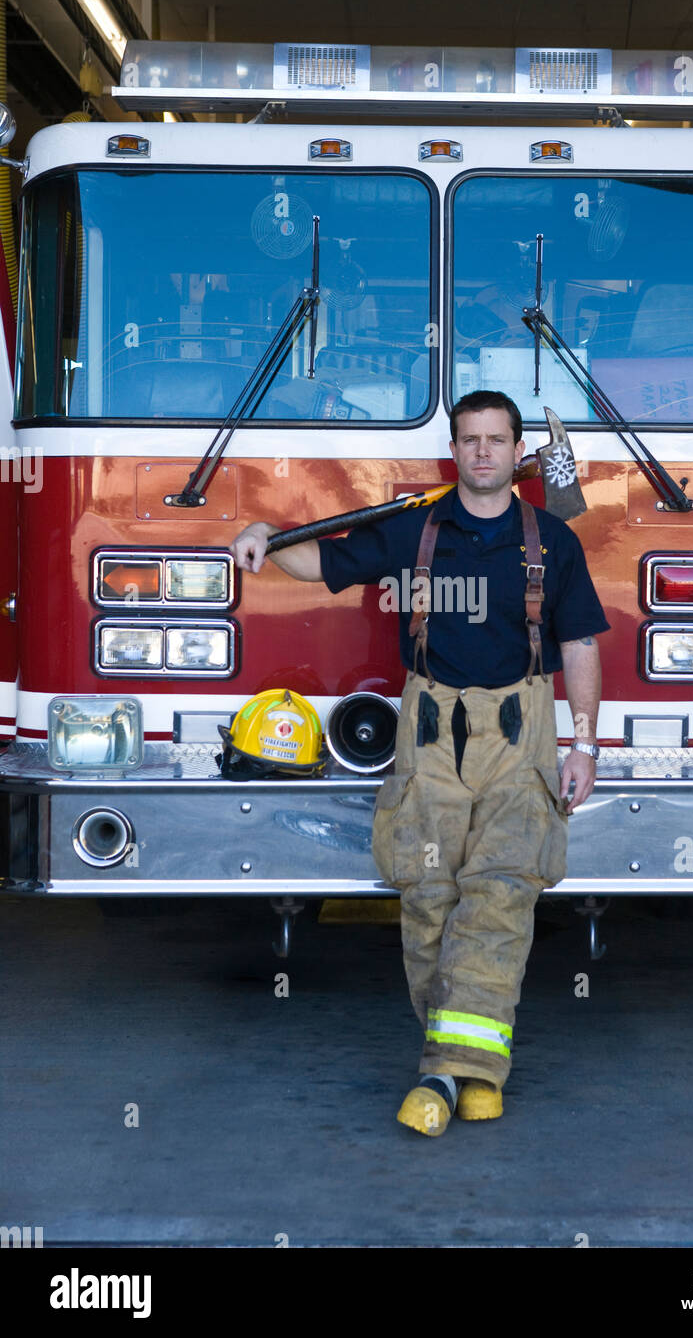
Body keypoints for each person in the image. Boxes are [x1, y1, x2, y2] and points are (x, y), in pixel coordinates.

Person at [229, 390, 609, 1136]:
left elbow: (581, 645)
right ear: (456, 450)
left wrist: (585, 743)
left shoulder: (552, 542)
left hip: (520, 737)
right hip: (429, 734)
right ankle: (471, 1063)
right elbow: (324, 563)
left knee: (500, 894)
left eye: (497, 441)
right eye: (470, 440)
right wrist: (267, 536)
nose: (483, 453)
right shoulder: (417, 530)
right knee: (429, 897)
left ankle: (447, 1073)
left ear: (516, 450)